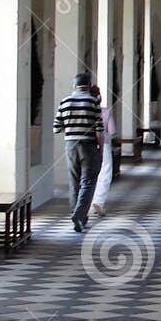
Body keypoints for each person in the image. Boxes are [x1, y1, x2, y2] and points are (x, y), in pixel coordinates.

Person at [53, 72, 105, 233]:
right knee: (88, 182)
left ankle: (79, 216)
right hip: (89, 146)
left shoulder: (65, 101)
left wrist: (71, 125)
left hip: (71, 146)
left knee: (74, 182)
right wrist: (101, 150)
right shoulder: (93, 102)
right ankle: (79, 214)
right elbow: (99, 130)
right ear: (89, 86)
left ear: (74, 86)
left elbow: (56, 128)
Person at [90, 84, 116, 218]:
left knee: (88, 174)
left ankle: (87, 202)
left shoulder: (85, 112)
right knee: (105, 172)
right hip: (104, 144)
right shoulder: (106, 112)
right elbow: (111, 131)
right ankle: (98, 201)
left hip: (88, 145)